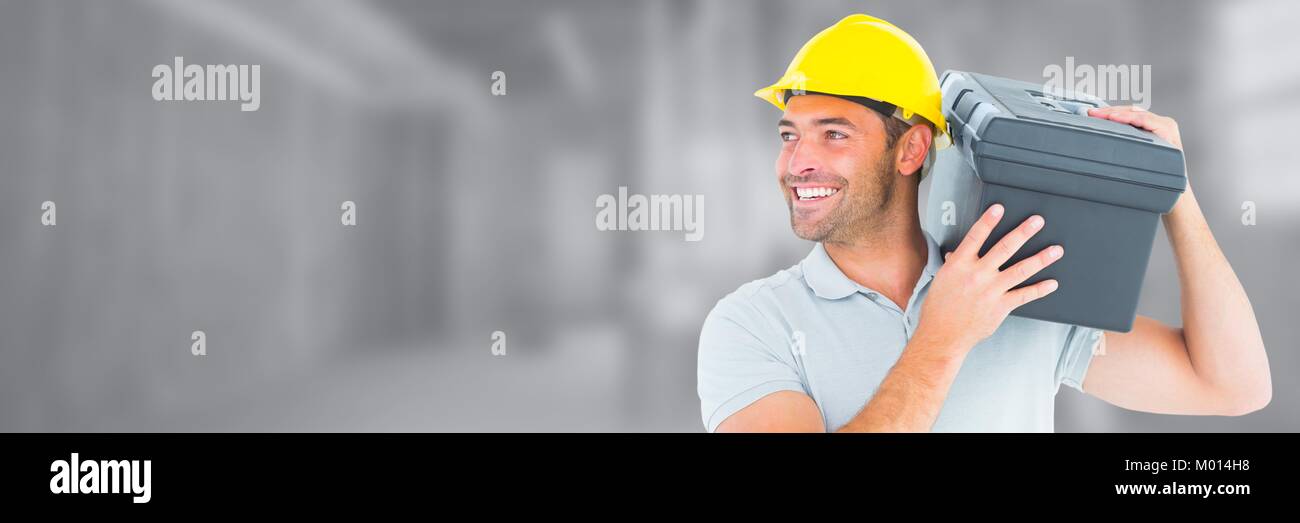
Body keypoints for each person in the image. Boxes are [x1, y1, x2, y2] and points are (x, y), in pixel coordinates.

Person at [697, 14, 1271, 432]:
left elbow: (1234, 386)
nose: (798, 163)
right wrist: (943, 337)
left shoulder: (1008, 288)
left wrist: (1174, 189)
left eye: (834, 134)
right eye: (789, 136)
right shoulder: (752, 325)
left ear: (911, 150)